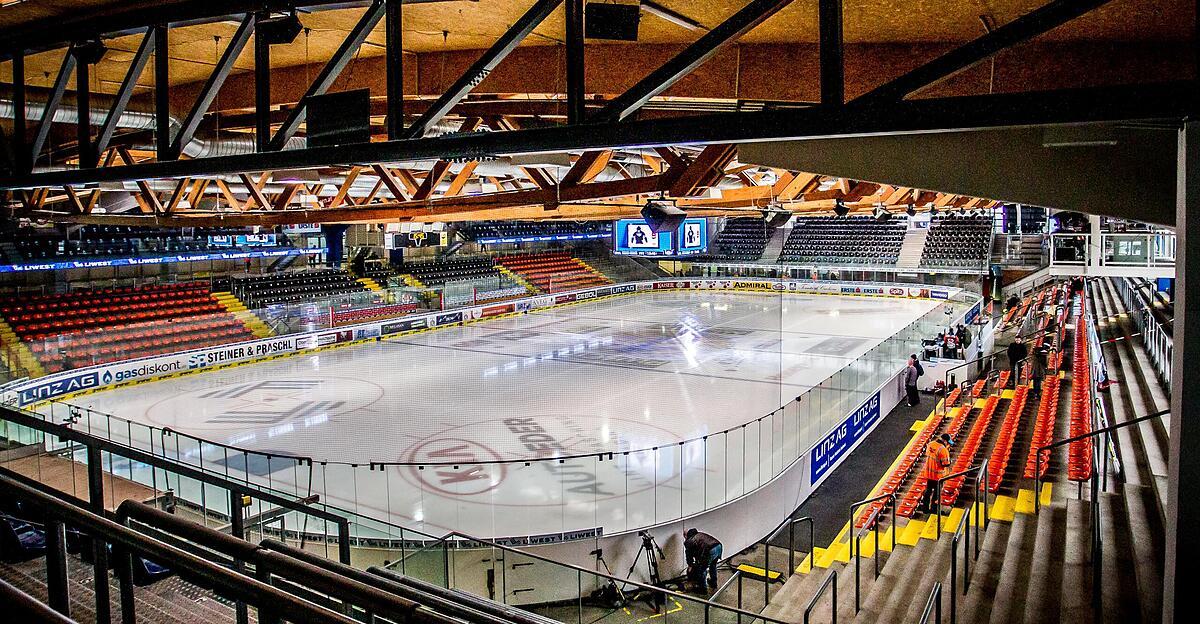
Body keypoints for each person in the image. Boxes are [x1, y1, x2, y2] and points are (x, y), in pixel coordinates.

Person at [919, 434, 954, 514]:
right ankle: (934, 509)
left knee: (928, 491)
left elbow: (930, 454)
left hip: (929, 473)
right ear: (945, 441)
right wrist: (950, 461)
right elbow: (946, 464)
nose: (948, 444)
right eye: (948, 443)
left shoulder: (930, 444)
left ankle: (925, 508)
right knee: (936, 494)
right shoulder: (943, 450)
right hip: (938, 476)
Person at [684, 529, 722, 593]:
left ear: (685, 536)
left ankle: (703, 589)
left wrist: (690, 565)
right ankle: (713, 583)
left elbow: (689, 555)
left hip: (710, 550)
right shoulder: (700, 534)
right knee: (713, 565)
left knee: (701, 569)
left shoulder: (689, 541)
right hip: (718, 546)